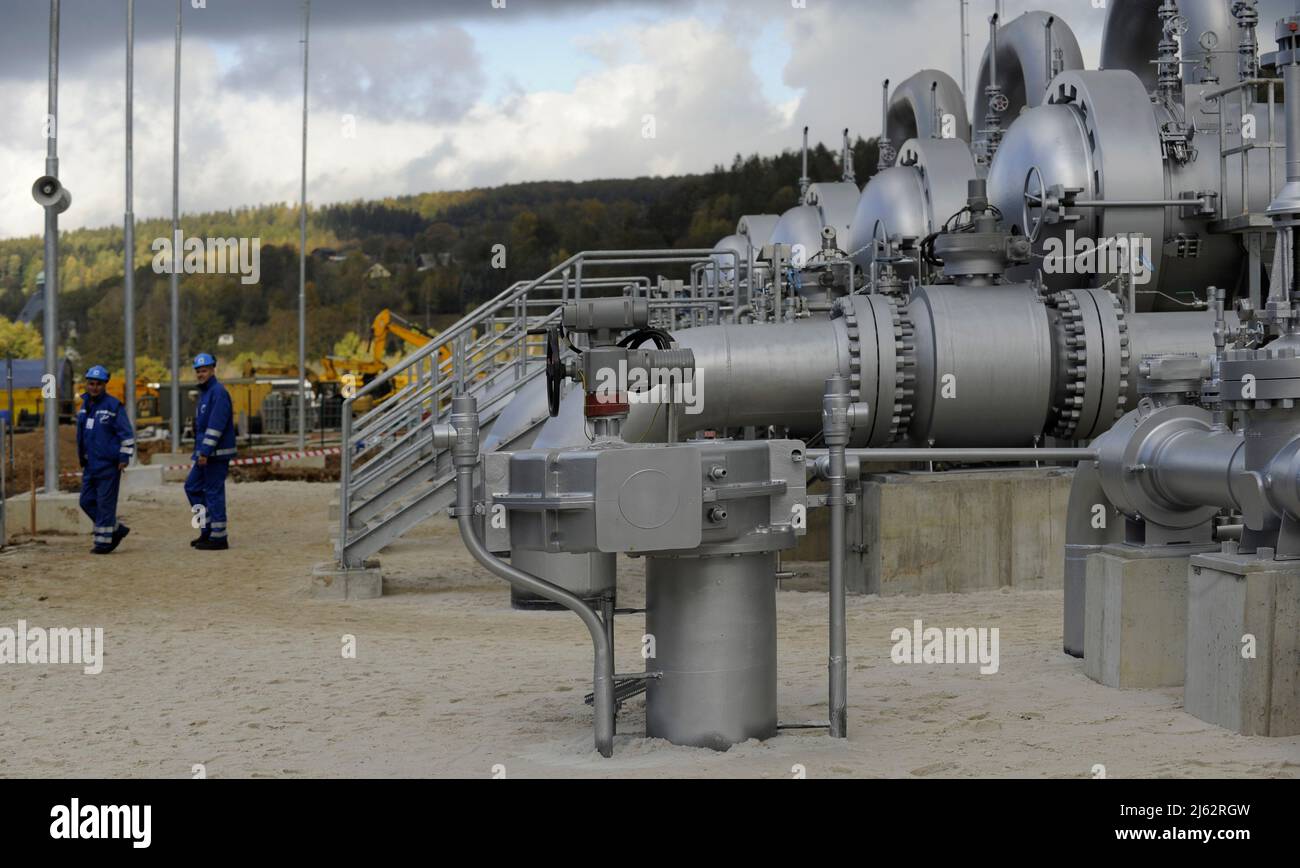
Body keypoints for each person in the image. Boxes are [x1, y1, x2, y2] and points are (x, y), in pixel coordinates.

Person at [76, 365, 134, 554]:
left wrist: (124, 456)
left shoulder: (113, 406)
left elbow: (126, 434)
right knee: (85, 501)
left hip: (109, 465)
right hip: (90, 464)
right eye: (91, 383)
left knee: (105, 504)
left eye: (98, 384)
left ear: (104, 385)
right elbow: (81, 435)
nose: (94, 387)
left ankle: (103, 543)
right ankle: (116, 529)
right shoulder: (84, 406)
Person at [185, 353, 236, 550]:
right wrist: (200, 452)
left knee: (213, 492)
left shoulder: (218, 393)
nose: (200, 374)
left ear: (213, 369)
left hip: (216, 454)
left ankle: (219, 536)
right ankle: (205, 529)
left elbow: (216, 426)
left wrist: (205, 451)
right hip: (205, 453)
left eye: (204, 370)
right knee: (192, 487)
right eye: (198, 371)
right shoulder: (206, 394)